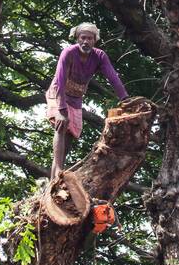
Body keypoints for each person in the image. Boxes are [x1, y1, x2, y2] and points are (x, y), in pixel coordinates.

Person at [46, 22, 128, 180]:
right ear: (77, 38)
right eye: (83, 38)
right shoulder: (68, 52)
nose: (86, 41)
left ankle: (55, 177)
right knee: (61, 126)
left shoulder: (99, 56)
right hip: (59, 94)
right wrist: (61, 111)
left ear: (95, 40)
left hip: (76, 98)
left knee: (70, 138)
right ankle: (57, 173)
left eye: (90, 38)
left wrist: (124, 98)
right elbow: (60, 81)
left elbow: (113, 77)